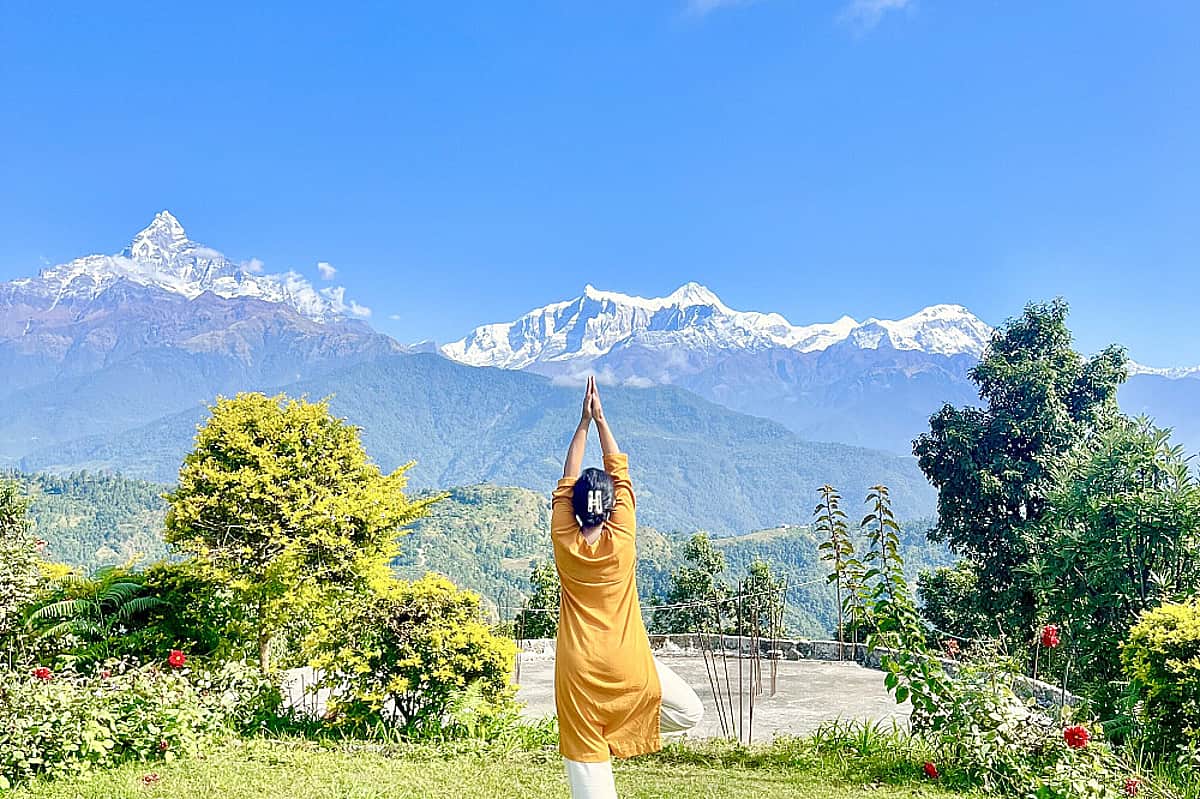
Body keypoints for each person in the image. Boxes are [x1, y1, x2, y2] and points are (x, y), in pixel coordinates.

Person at [552, 376, 704, 799]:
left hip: (578, 673)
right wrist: (600, 420)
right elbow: (620, 470)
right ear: (615, 507)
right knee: (690, 712)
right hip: (629, 667)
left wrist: (580, 424)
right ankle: (624, 728)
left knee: (591, 786)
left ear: (573, 508)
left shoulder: (565, 542)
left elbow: (568, 480)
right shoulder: (623, 540)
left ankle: (607, 738)